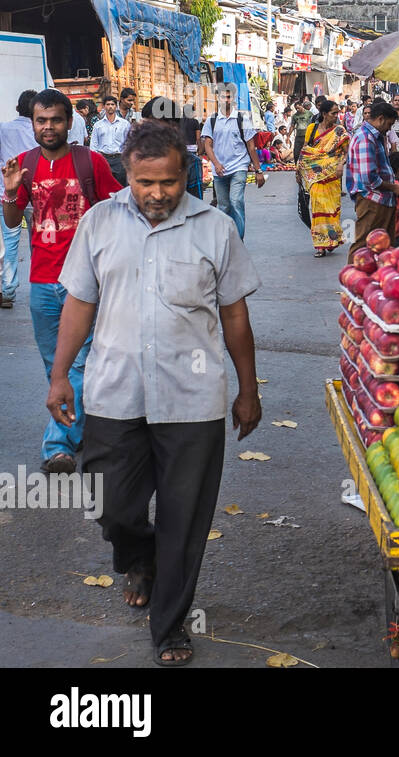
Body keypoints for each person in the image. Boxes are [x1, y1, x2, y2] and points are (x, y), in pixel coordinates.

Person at [47, 120, 262, 665]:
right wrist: (59, 376)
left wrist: (248, 390)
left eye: (168, 181)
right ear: (128, 174)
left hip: (192, 401)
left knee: (185, 519)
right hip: (115, 392)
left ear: (185, 172)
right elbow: (78, 303)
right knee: (110, 502)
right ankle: (137, 553)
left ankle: (170, 625)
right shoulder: (99, 222)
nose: (157, 193)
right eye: (145, 182)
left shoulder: (216, 228)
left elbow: (235, 315)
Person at [2, 88, 122, 473]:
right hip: (41, 280)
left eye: (55, 119)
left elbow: (117, 208)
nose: (48, 126)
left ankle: (58, 446)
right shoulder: (25, 163)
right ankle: (76, 423)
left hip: (83, 283)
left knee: (77, 364)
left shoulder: (92, 162)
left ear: (70, 123)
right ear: (33, 124)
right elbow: (10, 221)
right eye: (42, 120)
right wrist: (9, 194)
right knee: (54, 364)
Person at [344, 99, 399, 260]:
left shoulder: (376, 136)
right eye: (389, 124)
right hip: (371, 199)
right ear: (380, 119)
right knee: (363, 245)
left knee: (382, 246)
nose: (389, 129)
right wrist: (394, 188)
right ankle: (351, 278)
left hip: (381, 199)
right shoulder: (365, 138)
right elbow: (369, 179)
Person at [201, 87, 265, 239]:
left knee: (236, 202)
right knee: (223, 206)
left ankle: (238, 242)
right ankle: (226, 241)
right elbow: (207, 145)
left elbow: (251, 147)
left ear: (234, 99)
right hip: (219, 170)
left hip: (239, 167)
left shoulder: (242, 119)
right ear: (219, 99)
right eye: (223, 97)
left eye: (229, 97)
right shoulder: (212, 120)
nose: (226, 100)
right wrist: (216, 164)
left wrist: (258, 171)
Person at [0, 89, 39, 308]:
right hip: (36, 196)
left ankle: (8, 290)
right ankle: (40, 288)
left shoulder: (3, 129)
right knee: (38, 243)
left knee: (10, 242)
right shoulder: (40, 130)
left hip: (9, 195)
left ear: (17, 108)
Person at [298, 99, 349, 257]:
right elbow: (305, 151)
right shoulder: (312, 129)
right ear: (324, 114)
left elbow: (347, 152)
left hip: (332, 176)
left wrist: (341, 164)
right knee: (318, 208)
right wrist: (298, 171)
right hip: (314, 177)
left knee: (331, 209)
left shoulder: (340, 131)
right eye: (333, 113)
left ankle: (331, 240)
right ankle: (320, 244)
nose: (336, 116)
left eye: (337, 113)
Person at [89, 95, 130, 184]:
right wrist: (97, 159)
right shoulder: (98, 125)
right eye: (108, 104)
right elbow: (93, 144)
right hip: (104, 159)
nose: (110, 106)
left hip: (119, 159)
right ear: (104, 106)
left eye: (112, 104)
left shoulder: (124, 124)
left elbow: (129, 143)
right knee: (104, 186)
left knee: (120, 187)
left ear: (116, 106)